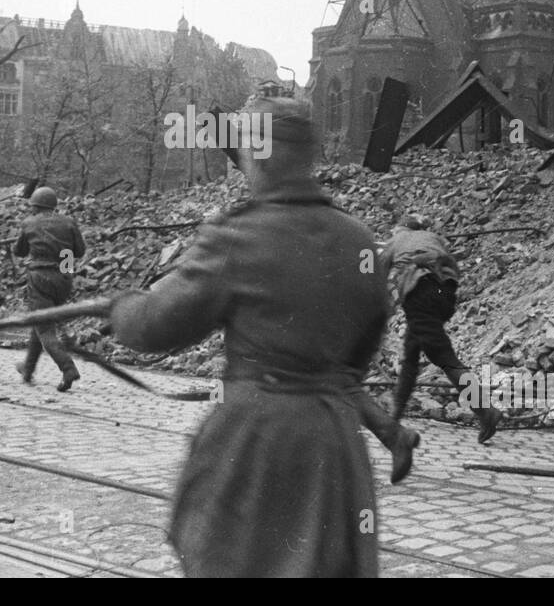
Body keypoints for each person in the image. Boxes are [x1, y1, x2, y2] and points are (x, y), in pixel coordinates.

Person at [110, 97, 391, 577]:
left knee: (239, 562)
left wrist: (122, 306)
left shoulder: (238, 235)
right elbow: (367, 341)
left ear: (256, 155)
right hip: (333, 443)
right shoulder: (359, 239)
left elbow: (156, 327)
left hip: (256, 441)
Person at [382, 214, 502, 444]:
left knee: (445, 358)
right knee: (411, 355)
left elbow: (371, 271)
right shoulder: (433, 238)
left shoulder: (396, 241)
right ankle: (393, 419)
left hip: (420, 292)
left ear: (400, 229)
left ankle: (486, 411)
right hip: (444, 294)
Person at [12, 186, 86, 392]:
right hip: (63, 281)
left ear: (35, 206)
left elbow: (19, 251)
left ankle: (68, 368)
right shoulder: (69, 222)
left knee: (44, 329)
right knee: (42, 324)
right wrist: (64, 270)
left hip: (39, 280)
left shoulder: (29, 223)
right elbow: (78, 251)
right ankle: (28, 369)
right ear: (54, 206)